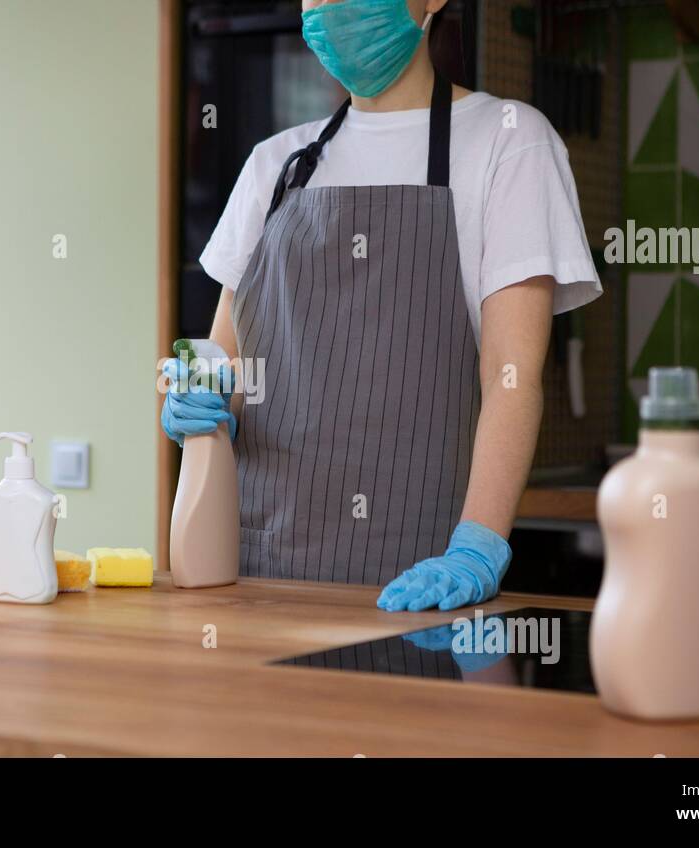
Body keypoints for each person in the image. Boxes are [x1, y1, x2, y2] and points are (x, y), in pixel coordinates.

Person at [161, 0, 601, 611]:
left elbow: (512, 377)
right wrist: (201, 398)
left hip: (421, 584)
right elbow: (228, 367)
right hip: (260, 579)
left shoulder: (509, 141)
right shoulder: (276, 166)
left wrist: (476, 546)